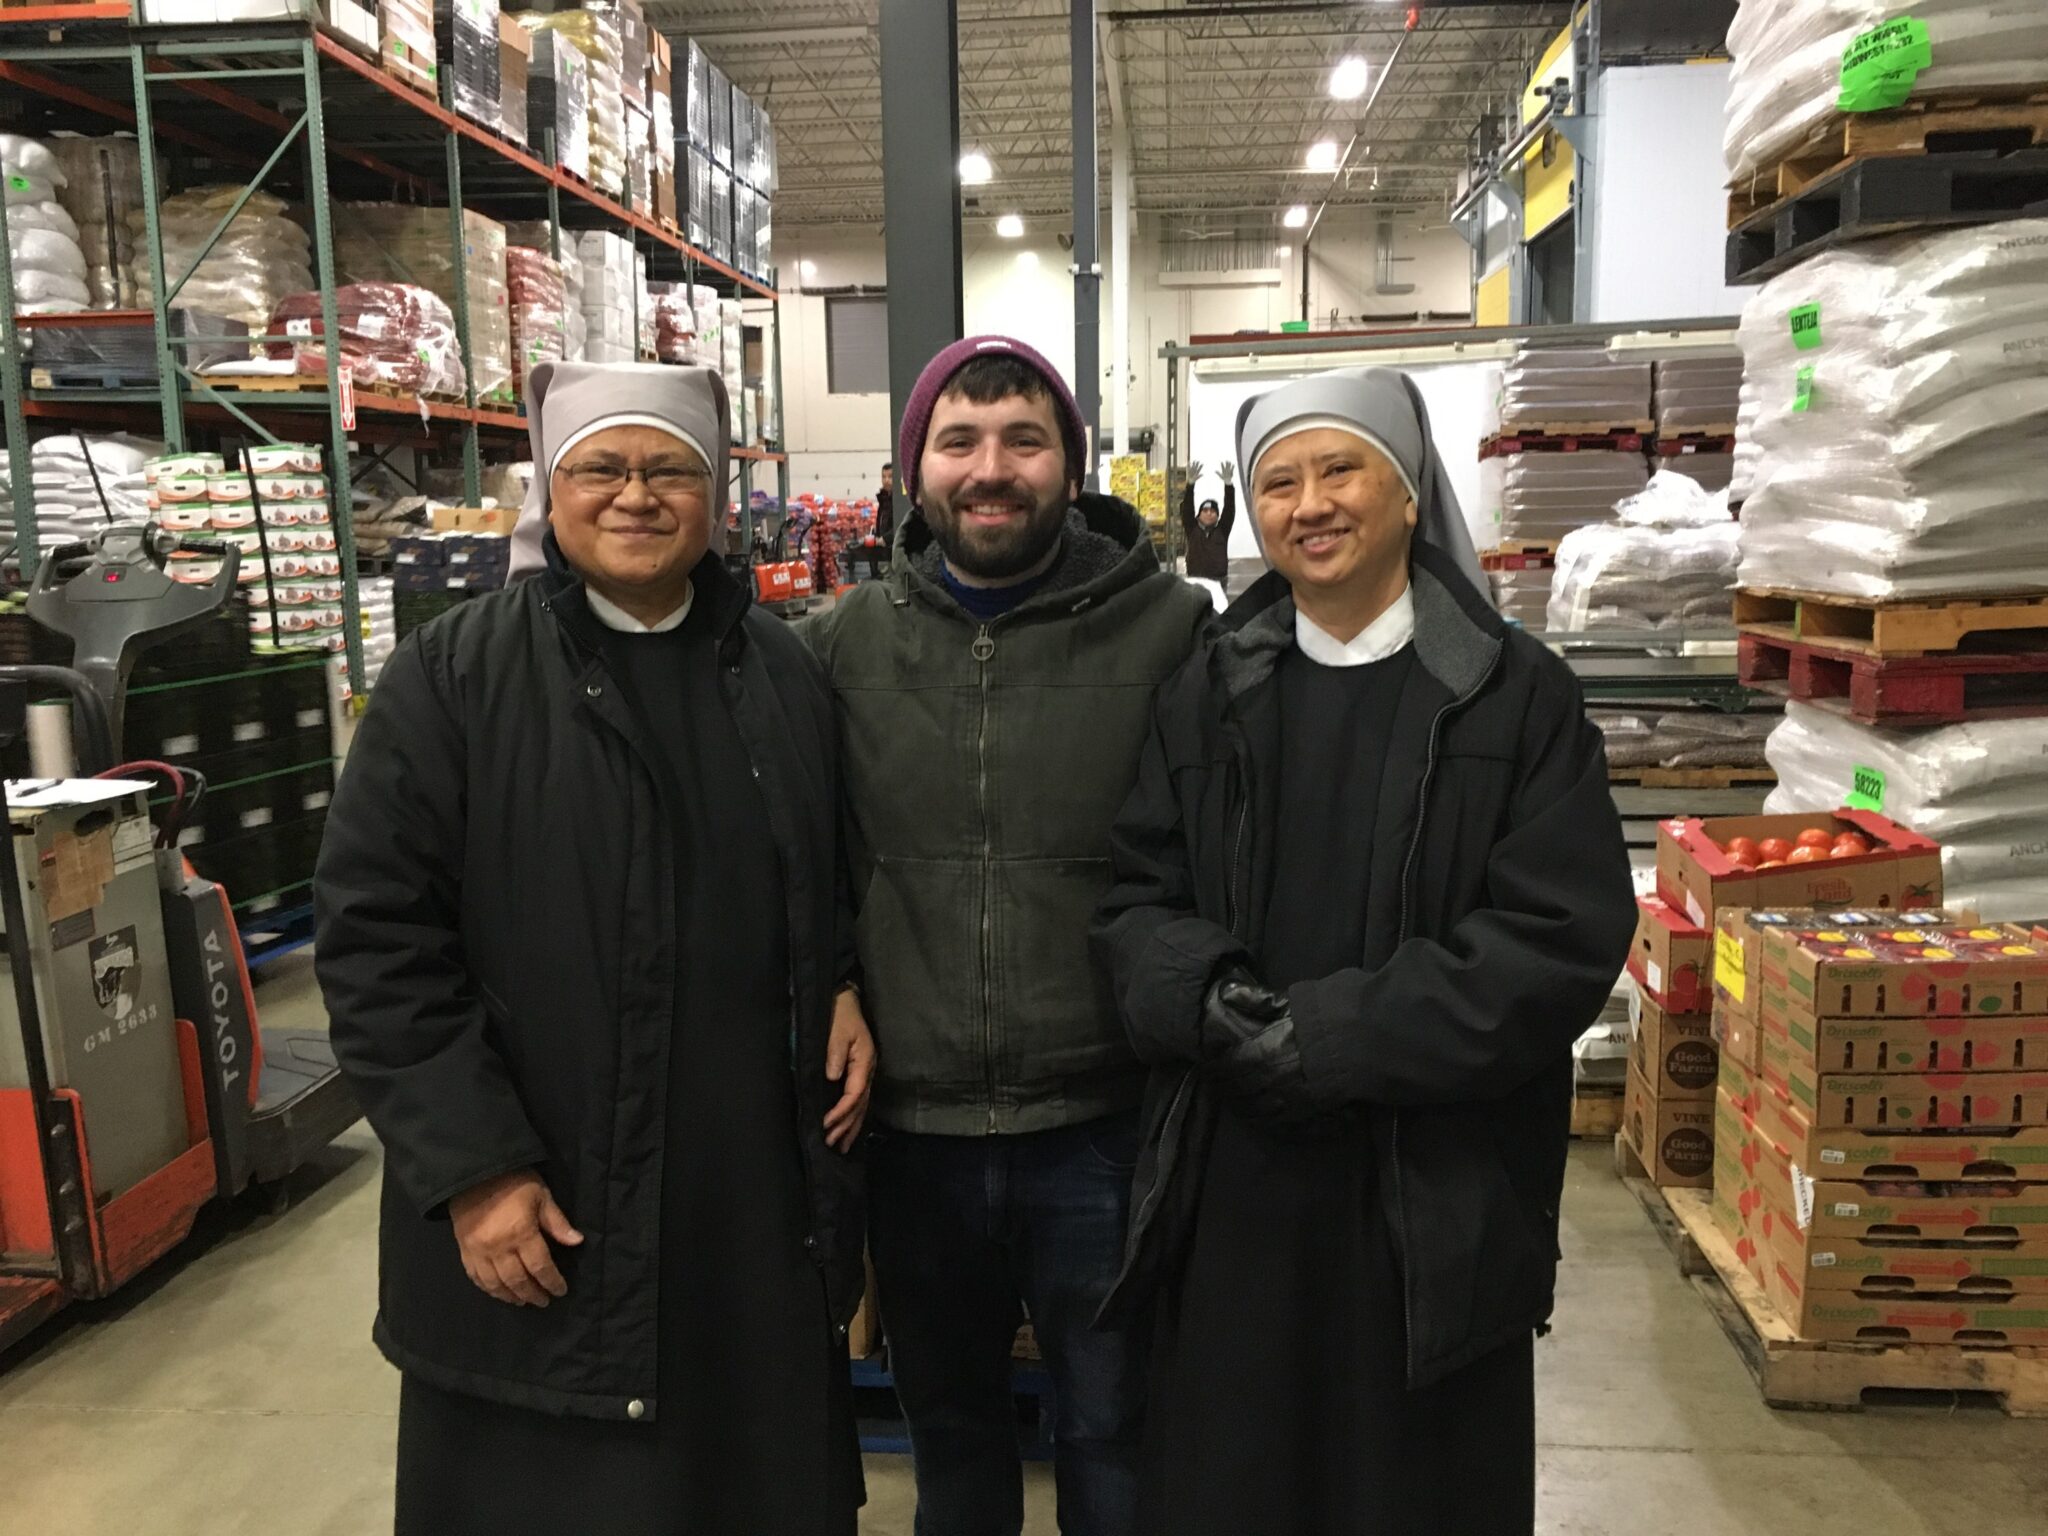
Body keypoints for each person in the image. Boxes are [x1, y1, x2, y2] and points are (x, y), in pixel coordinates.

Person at [316, 360, 873, 1536]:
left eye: (670, 468)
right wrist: (472, 1168)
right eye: (601, 467)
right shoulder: (452, 679)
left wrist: (841, 981)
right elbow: (376, 942)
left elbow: (833, 870)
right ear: (550, 489)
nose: (636, 495)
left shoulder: (781, 670)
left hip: (746, 1202)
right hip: (549, 1196)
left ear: (714, 496)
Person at [1091, 367, 1635, 1534]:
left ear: (1404, 491)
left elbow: (1556, 937)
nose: (1308, 504)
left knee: (1413, 1492)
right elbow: (1135, 898)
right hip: (1232, 1190)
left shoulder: (1509, 696)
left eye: (1339, 468)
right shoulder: (1208, 693)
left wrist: (1334, 1038)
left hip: (1429, 1198)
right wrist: (1209, 1004)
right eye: (1274, 482)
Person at [805, 335, 1212, 1536]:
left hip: (1103, 1128)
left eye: (1024, 440)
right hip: (914, 1137)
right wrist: (830, 977)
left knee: (1114, 1440)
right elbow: (792, 859)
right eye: (960, 442)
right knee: (956, 1449)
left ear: (1067, 463)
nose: (993, 470)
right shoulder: (838, 648)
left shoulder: (1171, 633)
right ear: (915, 468)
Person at [1176, 460, 1235, 593]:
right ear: (1199, 515)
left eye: (1213, 511)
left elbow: (1230, 509)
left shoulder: (1222, 530)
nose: (1209, 513)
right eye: (1205, 510)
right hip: (1196, 582)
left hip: (1219, 582)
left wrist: (1228, 485)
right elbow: (1187, 509)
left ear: (1218, 516)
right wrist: (1190, 485)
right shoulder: (1192, 529)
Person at [875, 459, 897, 549]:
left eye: (890, 477)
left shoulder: (898, 500)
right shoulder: (883, 499)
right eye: (883, 477)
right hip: (884, 548)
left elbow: (899, 523)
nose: (886, 480)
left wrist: (886, 538)